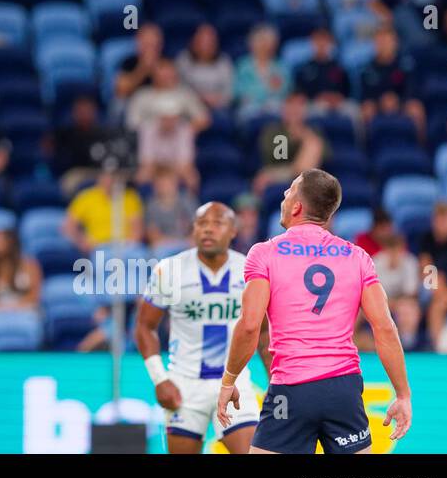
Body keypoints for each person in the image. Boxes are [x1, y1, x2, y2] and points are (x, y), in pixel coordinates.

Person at [217, 169, 412, 453]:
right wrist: (403, 394)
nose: (284, 196)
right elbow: (384, 328)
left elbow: (249, 326)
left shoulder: (264, 253)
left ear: (297, 206)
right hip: (343, 390)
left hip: (291, 391)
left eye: (289, 191)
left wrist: (228, 380)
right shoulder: (357, 257)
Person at [135, 202, 266, 454]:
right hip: (185, 384)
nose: (208, 230)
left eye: (217, 223)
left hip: (235, 383)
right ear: (193, 229)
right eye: (201, 223)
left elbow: (263, 333)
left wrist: (276, 381)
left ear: (233, 231)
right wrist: (160, 379)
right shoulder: (169, 270)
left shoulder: (249, 271)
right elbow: (144, 326)